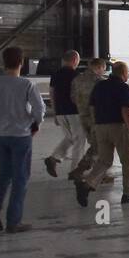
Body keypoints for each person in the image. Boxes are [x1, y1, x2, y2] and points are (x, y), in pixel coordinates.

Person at [0, 46, 46, 233]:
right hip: (21, 136)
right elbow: (39, 110)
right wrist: (35, 125)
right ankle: (13, 221)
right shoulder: (26, 84)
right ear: (21, 62)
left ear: (3, 62)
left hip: (0, 136)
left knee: (5, 174)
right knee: (21, 178)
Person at [75, 61, 129, 207]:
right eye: (127, 72)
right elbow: (126, 111)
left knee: (104, 160)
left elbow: (92, 106)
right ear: (123, 73)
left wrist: (95, 124)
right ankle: (128, 193)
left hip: (100, 126)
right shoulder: (123, 87)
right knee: (128, 161)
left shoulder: (100, 85)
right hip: (118, 127)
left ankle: (87, 185)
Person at [44, 50, 85, 178]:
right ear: (74, 60)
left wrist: (56, 112)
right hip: (74, 111)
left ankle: (54, 158)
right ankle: (75, 171)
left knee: (70, 138)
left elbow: (52, 93)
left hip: (61, 112)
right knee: (79, 140)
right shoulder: (76, 75)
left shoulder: (56, 74)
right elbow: (80, 95)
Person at [68, 58, 106, 180]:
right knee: (100, 146)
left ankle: (85, 170)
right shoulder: (99, 82)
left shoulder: (77, 79)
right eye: (103, 69)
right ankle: (88, 171)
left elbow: (73, 97)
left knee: (95, 144)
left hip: (82, 116)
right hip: (96, 117)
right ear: (100, 67)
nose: (103, 72)